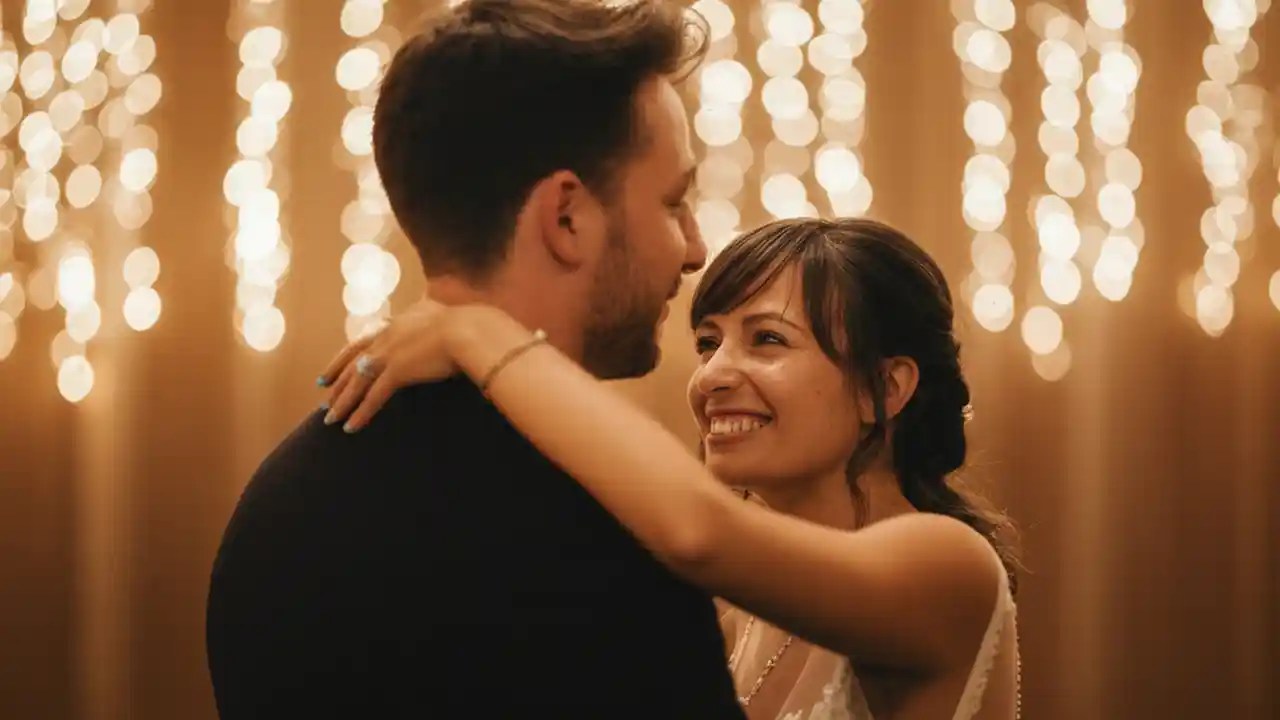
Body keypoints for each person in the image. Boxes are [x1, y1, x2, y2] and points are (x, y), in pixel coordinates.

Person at [205, 0, 747, 717]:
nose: (695, 248)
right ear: (566, 218)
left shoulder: (274, 505)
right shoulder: (611, 520)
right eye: (674, 202)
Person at [321, 217, 1023, 719]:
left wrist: (477, 330)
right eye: (709, 342)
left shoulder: (947, 563)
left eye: (768, 341)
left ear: (888, 387)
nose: (714, 375)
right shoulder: (726, 615)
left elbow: (696, 531)